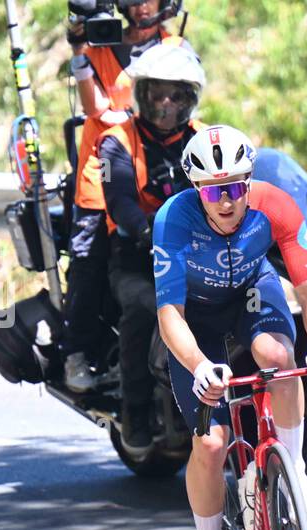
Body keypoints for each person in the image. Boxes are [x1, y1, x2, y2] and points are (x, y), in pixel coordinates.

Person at [153, 125, 307, 530]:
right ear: (197, 190)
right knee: (211, 446)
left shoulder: (276, 205)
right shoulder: (173, 220)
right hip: (195, 317)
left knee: (279, 358)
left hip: (252, 291)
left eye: (236, 186)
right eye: (214, 190)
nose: (226, 201)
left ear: (249, 181)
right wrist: (198, 367)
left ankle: (294, 473)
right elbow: (168, 312)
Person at [62, 0, 195, 393]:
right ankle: (77, 354)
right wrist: (79, 52)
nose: (140, 7)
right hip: (102, 168)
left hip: (152, 169)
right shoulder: (102, 42)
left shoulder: (176, 47)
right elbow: (94, 108)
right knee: (87, 260)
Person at [93, 43, 203, 452]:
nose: (165, 103)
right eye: (157, 92)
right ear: (142, 94)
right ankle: (135, 410)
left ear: (189, 98)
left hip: (197, 254)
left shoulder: (201, 138)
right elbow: (120, 201)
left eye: (175, 94)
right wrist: (148, 235)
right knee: (143, 308)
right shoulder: (116, 141)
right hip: (137, 259)